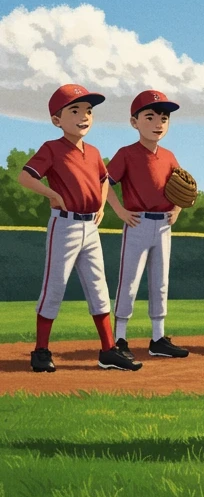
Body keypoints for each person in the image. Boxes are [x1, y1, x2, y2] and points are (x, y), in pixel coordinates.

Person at [19, 85, 140, 372]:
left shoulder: (94, 151)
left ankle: (108, 350)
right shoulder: (52, 148)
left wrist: (100, 206)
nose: (84, 116)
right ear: (57, 120)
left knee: (99, 287)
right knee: (54, 287)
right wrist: (52, 195)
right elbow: (25, 177)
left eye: (88, 110)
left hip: (90, 228)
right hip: (65, 224)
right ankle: (41, 350)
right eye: (74, 110)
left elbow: (103, 179)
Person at [106, 90, 190, 360]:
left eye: (163, 118)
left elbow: (182, 187)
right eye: (150, 116)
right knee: (129, 281)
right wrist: (119, 210)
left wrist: (176, 208)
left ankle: (157, 339)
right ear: (134, 122)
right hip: (138, 222)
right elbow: (105, 182)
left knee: (160, 282)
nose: (158, 123)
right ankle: (119, 338)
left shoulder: (168, 155)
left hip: (164, 225)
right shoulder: (127, 154)